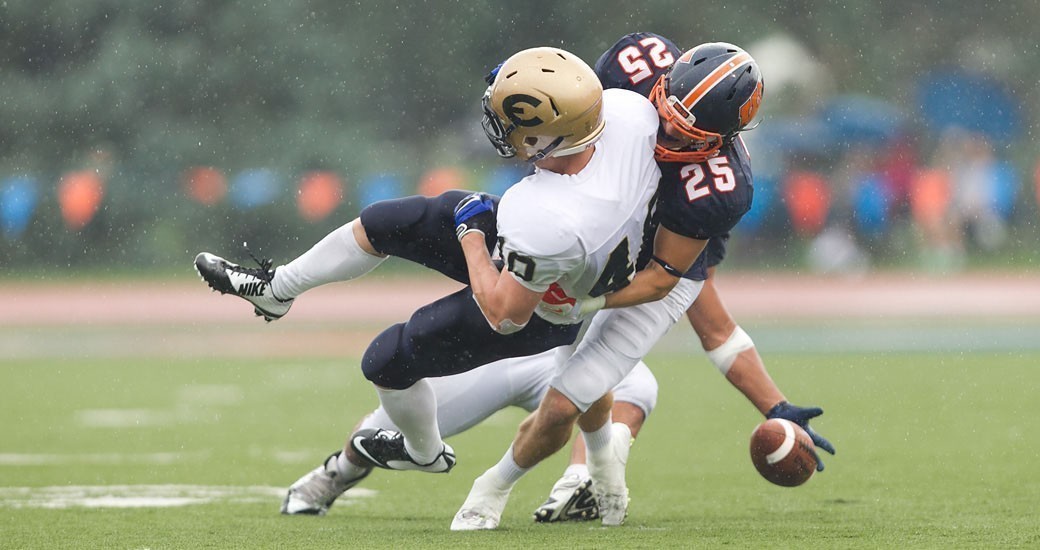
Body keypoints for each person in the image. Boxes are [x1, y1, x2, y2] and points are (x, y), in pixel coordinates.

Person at [195, 45, 666, 523]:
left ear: (549, 137)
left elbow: (504, 314)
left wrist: (471, 236)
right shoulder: (629, 121)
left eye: (514, 124)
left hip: (539, 310)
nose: (502, 128)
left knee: (386, 359)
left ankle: (425, 453)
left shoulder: (549, 213)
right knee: (389, 222)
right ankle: (278, 289)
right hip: (556, 267)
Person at [450, 37, 834, 530]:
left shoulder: (717, 189)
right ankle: (599, 469)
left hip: (648, 274)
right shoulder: (634, 66)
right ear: (663, 82)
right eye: (666, 115)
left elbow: (675, 291)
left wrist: (585, 303)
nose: (667, 135)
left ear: (720, 140)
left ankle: (493, 489)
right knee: (567, 368)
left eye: (688, 136)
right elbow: (569, 114)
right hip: (595, 236)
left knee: (568, 398)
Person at [280, 349, 658, 519]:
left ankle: (580, 480)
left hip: (571, 350)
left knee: (638, 388)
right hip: (498, 350)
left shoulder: (623, 214)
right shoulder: (509, 219)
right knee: (382, 432)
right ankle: (340, 472)